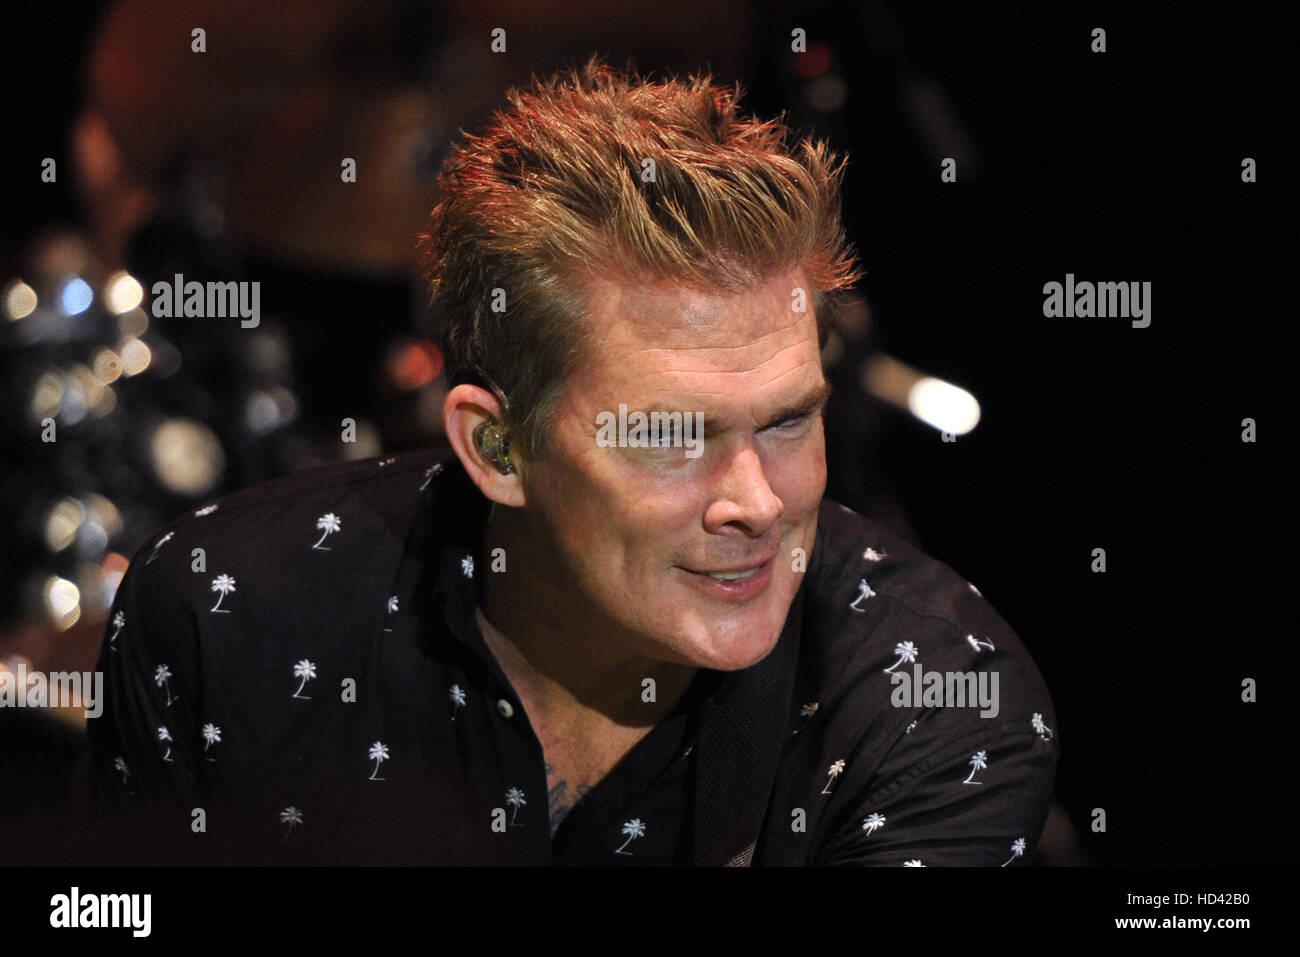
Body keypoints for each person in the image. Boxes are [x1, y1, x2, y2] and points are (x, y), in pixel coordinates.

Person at [80, 58, 1058, 866]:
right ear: (494, 448)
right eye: (673, 436)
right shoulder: (222, 616)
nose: (758, 504)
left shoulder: (932, 707)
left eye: (786, 424)